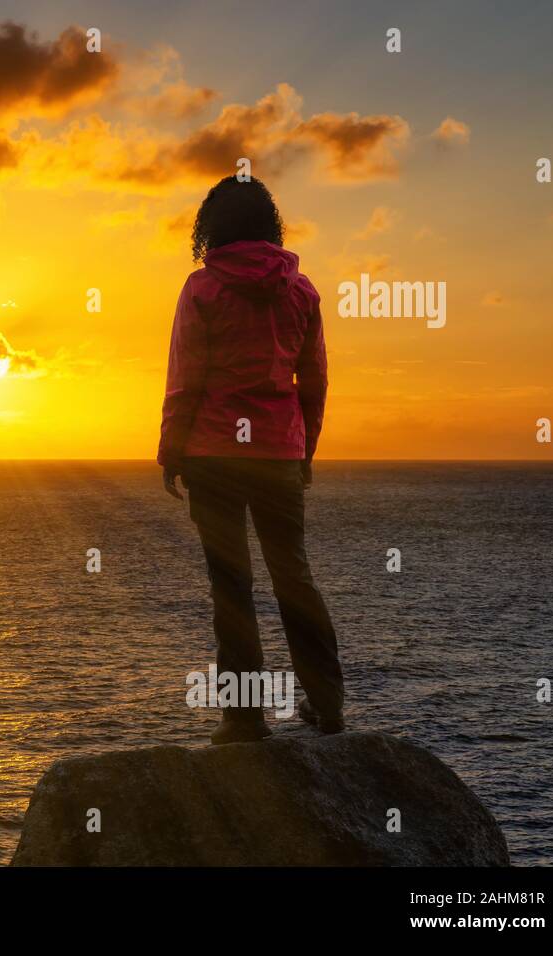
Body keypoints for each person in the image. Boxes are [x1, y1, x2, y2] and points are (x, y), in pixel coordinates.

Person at [158, 175, 345, 746]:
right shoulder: (302, 292)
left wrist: (171, 449)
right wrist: (303, 449)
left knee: (231, 587)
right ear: (270, 226)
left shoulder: (201, 289)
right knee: (294, 576)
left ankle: (244, 719)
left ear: (212, 229)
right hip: (277, 453)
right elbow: (313, 383)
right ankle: (328, 707)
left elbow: (185, 378)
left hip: (213, 452)